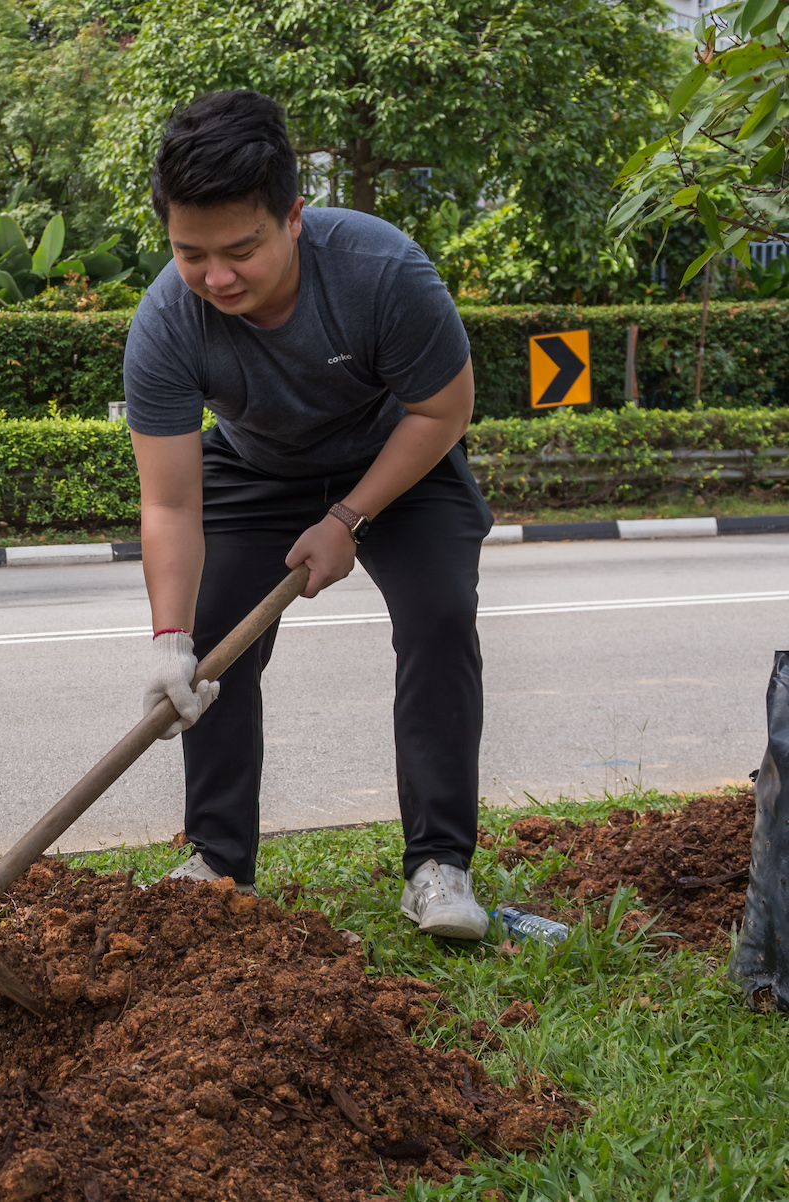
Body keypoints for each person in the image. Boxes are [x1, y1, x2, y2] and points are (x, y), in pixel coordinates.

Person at [124, 91, 493, 940]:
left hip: (397, 457)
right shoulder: (167, 325)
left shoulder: (380, 271)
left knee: (440, 614)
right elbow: (172, 500)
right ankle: (219, 865)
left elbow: (442, 413)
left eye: (241, 249)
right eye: (190, 253)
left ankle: (439, 866)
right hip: (257, 467)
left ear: (293, 217)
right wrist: (171, 643)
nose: (217, 277)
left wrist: (350, 518)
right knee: (218, 640)